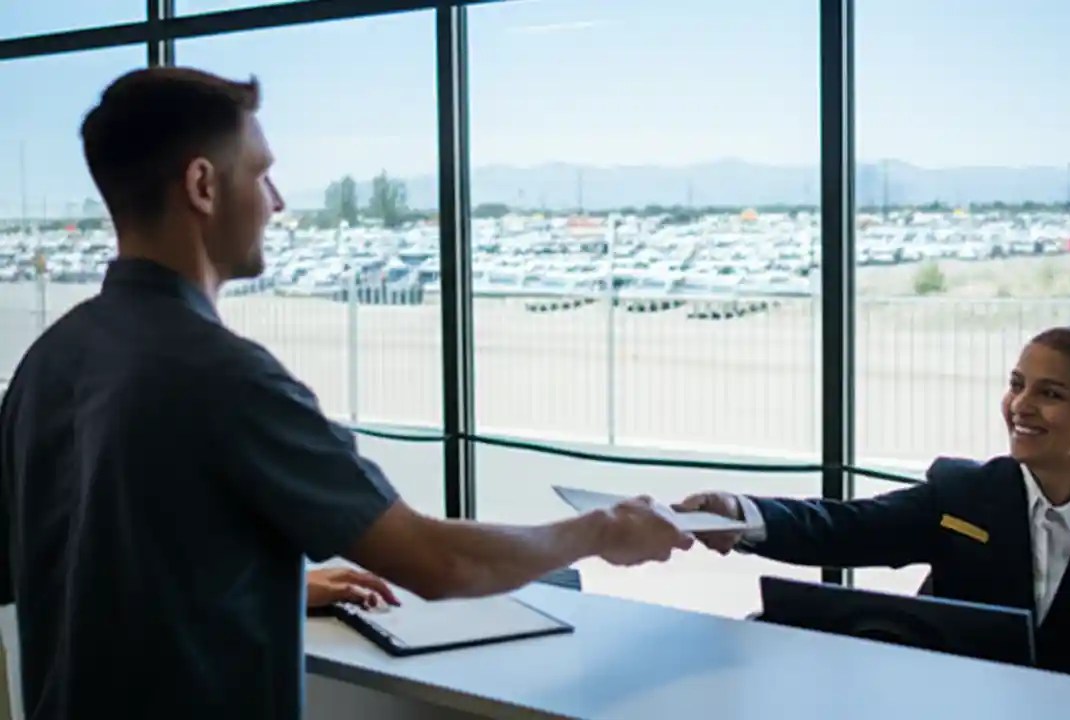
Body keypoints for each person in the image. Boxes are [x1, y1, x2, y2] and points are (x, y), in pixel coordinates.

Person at [0, 67, 693, 720]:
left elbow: (91, 559)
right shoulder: (224, 376)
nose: (276, 202)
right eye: (262, 174)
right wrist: (600, 530)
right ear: (203, 186)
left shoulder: (51, 359)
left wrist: (272, 589)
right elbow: (438, 561)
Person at [677, 325, 1070, 697]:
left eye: (1049, 393)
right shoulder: (961, 493)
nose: (1020, 406)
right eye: (1015, 384)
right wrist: (740, 514)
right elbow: (848, 528)